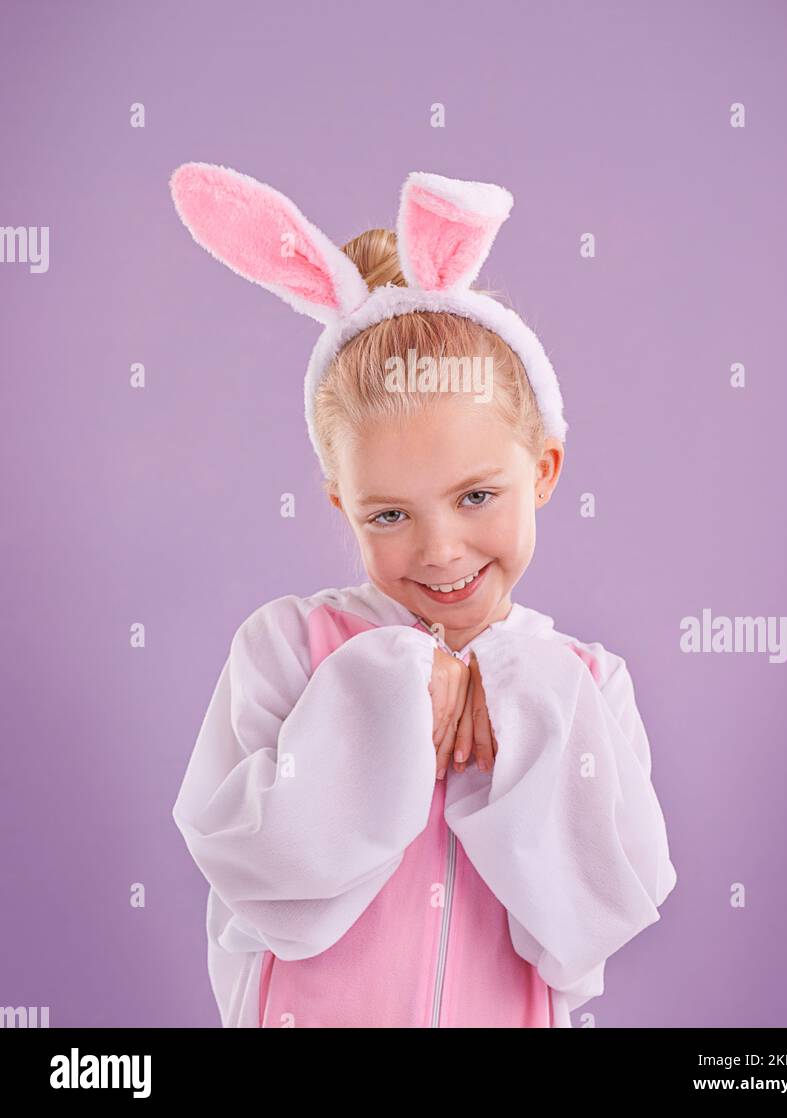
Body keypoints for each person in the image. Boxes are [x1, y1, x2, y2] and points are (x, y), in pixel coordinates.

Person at [169, 164, 677, 1027]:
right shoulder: (290, 649)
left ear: (544, 468)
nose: (439, 551)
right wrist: (381, 690)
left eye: (477, 496)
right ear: (341, 501)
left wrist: (526, 702)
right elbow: (257, 872)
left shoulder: (586, 681)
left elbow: (595, 915)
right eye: (389, 513)